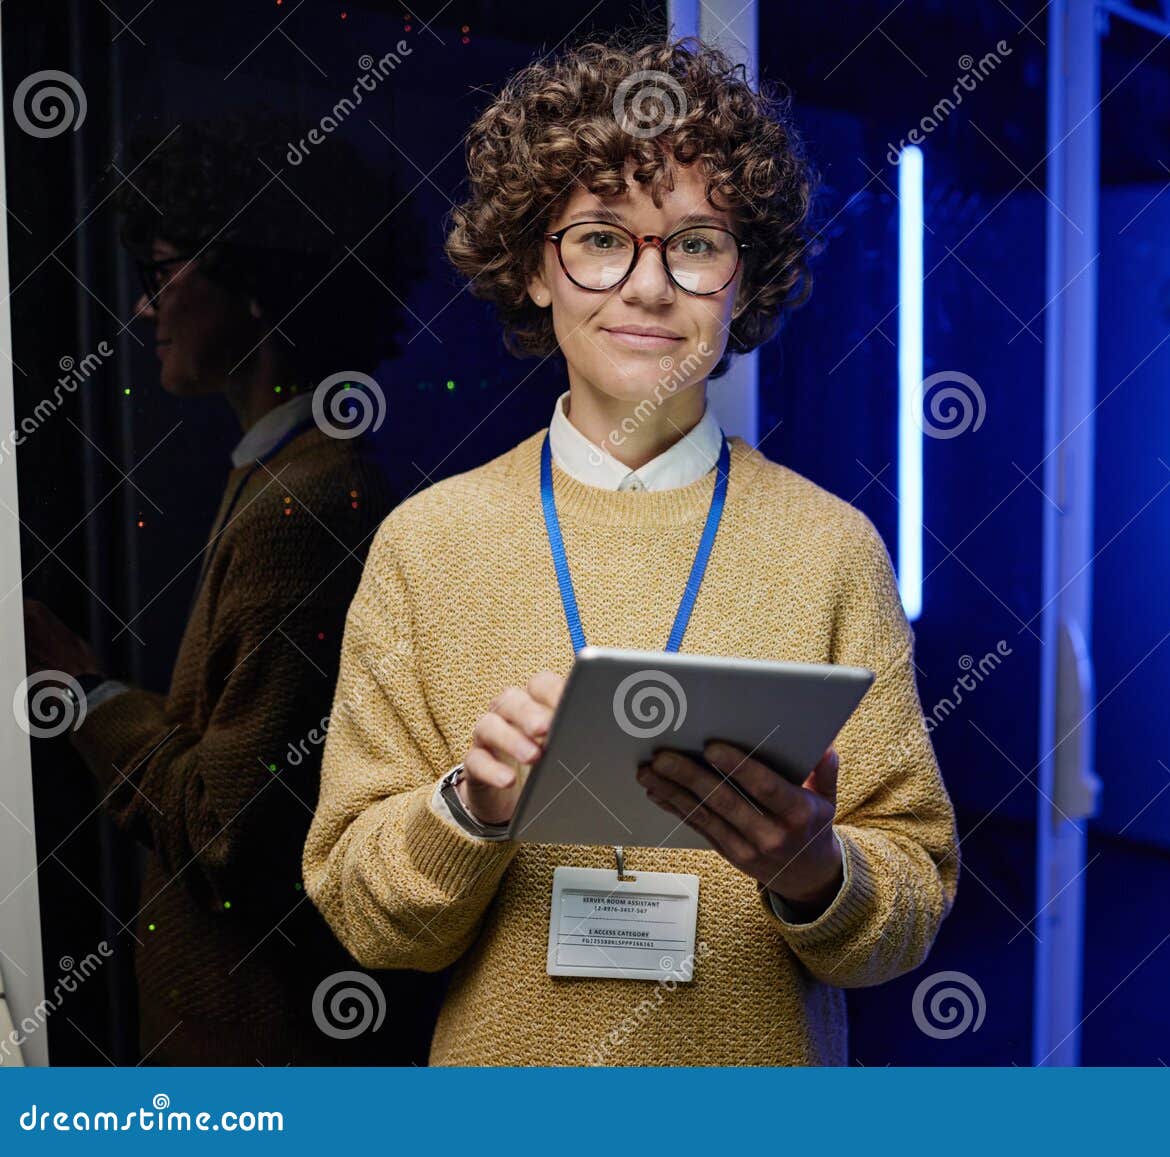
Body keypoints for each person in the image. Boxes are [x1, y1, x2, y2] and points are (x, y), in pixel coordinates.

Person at [303, 30, 959, 1066]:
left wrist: (813, 868)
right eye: (602, 237)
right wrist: (469, 809)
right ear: (532, 268)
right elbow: (370, 919)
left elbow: (909, 904)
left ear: (745, 282)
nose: (650, 286)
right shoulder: (424, 547)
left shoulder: (833, 546)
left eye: (696, 243)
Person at [23, 116, 437, 1065]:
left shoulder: (313, 503)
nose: (142, 308)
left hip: (262, 1062)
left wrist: (85, 695)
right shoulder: (285, 475)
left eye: (163, 270)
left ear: (251, 281)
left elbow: (228, 838)